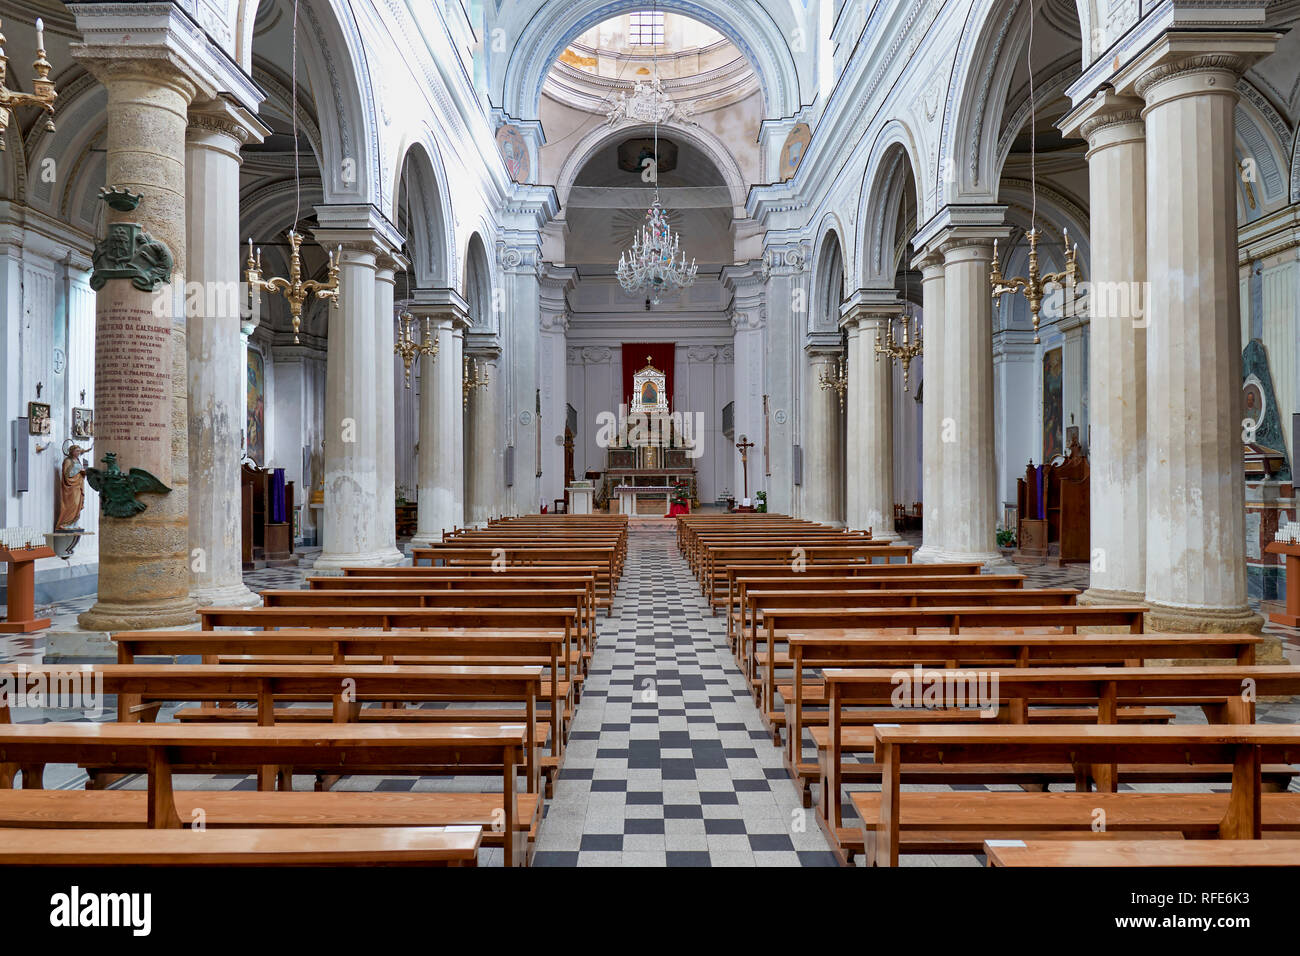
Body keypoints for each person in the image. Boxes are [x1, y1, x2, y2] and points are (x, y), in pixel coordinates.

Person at [56, 443, 89, 530]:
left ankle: (74, 524)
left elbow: (79, 471)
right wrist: (79, 470)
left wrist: (84, 472)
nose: (78, 452)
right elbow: (67, 474)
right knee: (72, 504)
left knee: (78, 504)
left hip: (78, 485)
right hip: (71, 487)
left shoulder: (78, 460)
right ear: (72, 451)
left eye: (79, 451)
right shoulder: (68, 461)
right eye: (77, 451)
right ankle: (64, 524)